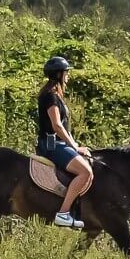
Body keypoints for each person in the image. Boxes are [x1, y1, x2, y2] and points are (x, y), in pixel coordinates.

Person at [37, 55, 94, 229]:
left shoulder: (54, 95)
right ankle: (63, 213)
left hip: (57, 144)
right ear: (59, 75)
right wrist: (74, 146)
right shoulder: (51, 97)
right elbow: (57, 126)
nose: (68, 76)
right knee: (85, 172)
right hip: (52, 146)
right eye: (66, 72)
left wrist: (76, 145)